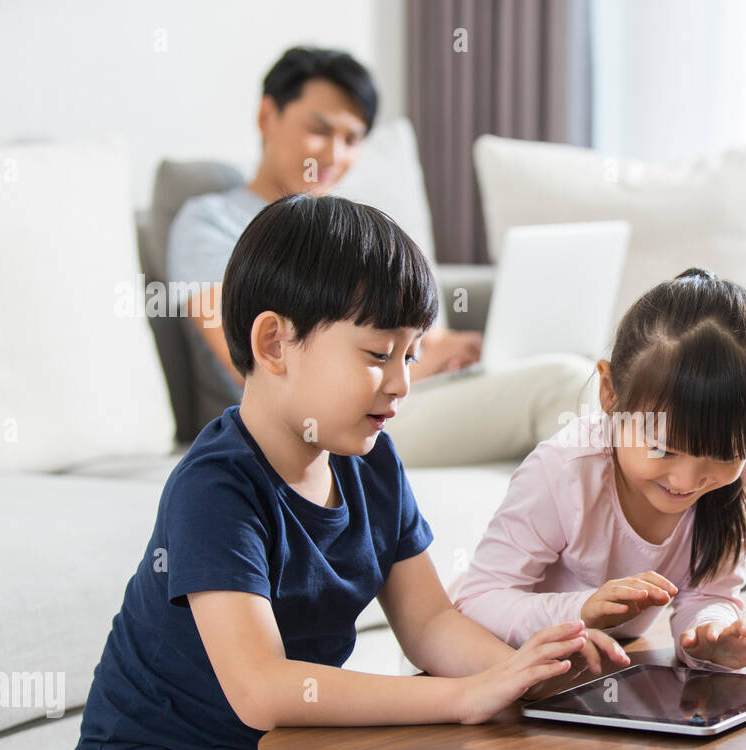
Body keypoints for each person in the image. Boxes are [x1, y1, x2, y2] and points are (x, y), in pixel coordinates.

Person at [72, 194, 621, 750]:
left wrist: (520, 674)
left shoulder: (372, 462)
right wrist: (459, 698)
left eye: (411, 356)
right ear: (275, 343)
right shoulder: (215, 488)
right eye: (376, 354)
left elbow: (429, 623)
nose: (401, 385)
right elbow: (262, 688)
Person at [168, 46, 596, 464]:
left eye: (352, 139)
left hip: (409, 391)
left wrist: (446, 350)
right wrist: (414, 368)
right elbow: (246, 358)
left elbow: (412, 336)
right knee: (563, 384)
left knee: (575, 374)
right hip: (329, 416)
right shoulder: (211, 222)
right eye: (319, 130)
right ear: (267, 116)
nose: (335, 155)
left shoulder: (362, 235)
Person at [451, 268, 746, 676]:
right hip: (488, 664)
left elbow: (709, 593)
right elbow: (477, 601)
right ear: (609, 393)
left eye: (725, 454)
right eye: (663, 448)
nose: (688, 480)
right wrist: (582, 610)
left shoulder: (742, 464)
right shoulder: (563, 470)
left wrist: (708, 635)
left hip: (590, 671)